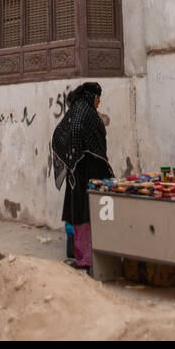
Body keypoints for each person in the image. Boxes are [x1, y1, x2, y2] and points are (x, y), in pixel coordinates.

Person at [50, 82, 113, 271]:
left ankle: (86, 255)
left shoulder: (77, 112)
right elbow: (77, 134)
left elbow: (60, 135)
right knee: (90, 212)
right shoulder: (85, 114)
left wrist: (71, 159)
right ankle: (89, 257)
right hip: (89, 172)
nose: (99, 101)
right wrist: (78, 157)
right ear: (91, 96)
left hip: (78, 174)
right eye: (97, 97)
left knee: (81, 212)